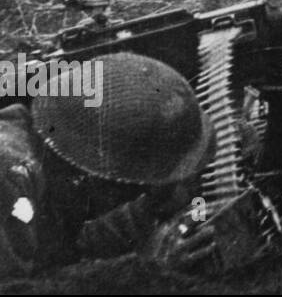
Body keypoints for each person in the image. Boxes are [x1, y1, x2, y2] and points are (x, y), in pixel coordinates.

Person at [0, 53, 216, 279]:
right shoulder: (10, 175)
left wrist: (147, 213)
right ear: (101, 174)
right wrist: (143, 269)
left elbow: (63, 246)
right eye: (137, 185)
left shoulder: (55, 158)